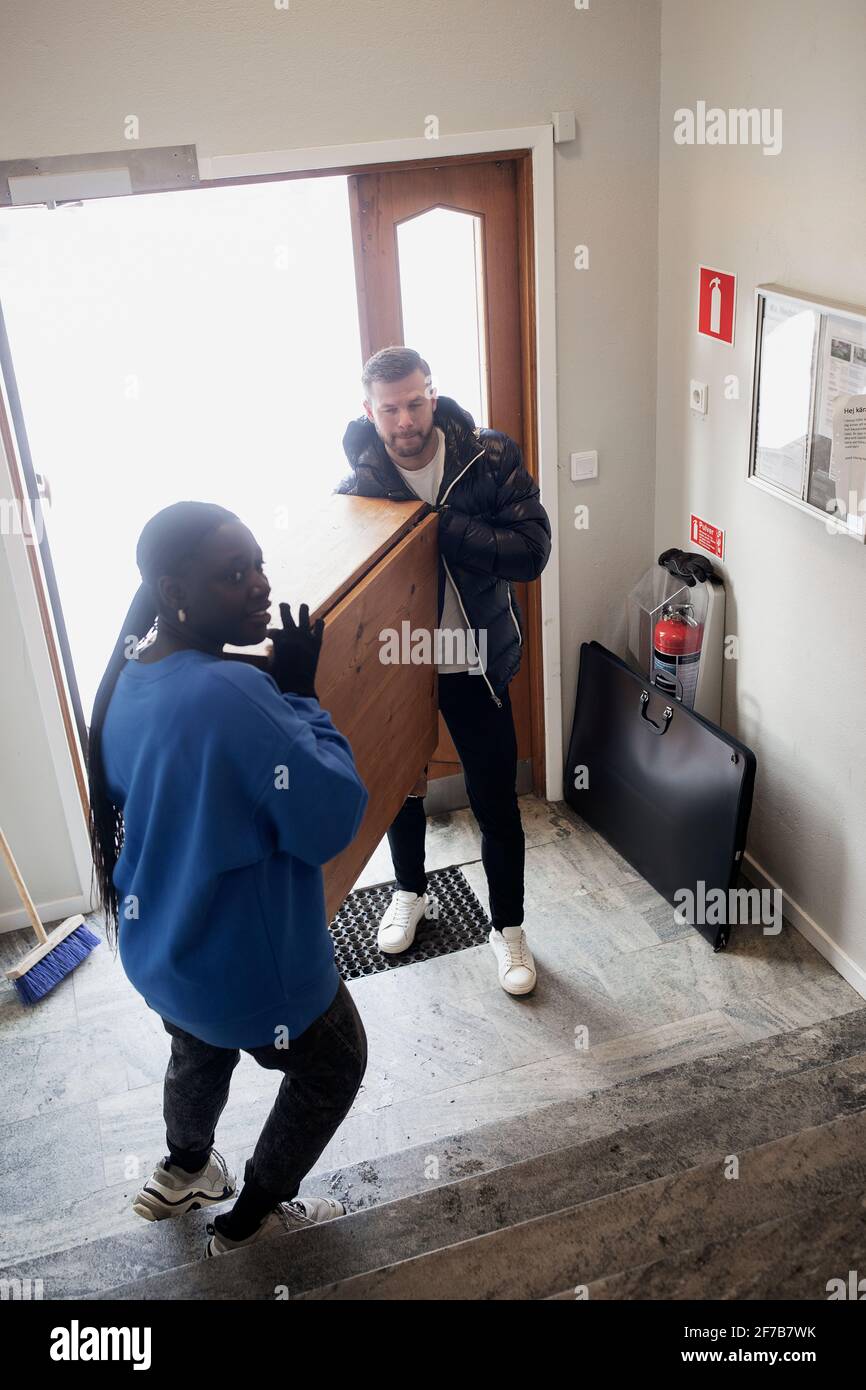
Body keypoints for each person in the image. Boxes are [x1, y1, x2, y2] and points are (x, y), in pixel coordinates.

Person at [87, 500, 369, 1257]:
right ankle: (252, 1213)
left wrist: (271, 694)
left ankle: (184, 1167)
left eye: (258, 565)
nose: (259, 587)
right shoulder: (233, 695)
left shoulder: (128, 679)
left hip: (166, 956)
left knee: (197, 1048)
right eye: (233, 575)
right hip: (257, 977)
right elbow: (329, 820)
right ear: (176, 592)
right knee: (336, 1064)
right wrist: (301, 695)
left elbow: (198, 776)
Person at [337, 347, 551, 994]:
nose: (405, 419)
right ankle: (410, 893)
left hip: (476, 655)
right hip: (402, 660)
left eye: (415, 401)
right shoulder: (361, 483)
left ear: (433, 395)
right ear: (370, 412)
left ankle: (507, 930)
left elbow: (531, 551)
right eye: (390, 408)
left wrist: (441, 526)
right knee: (401, 789)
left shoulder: (488, 456)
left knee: (495, 800)